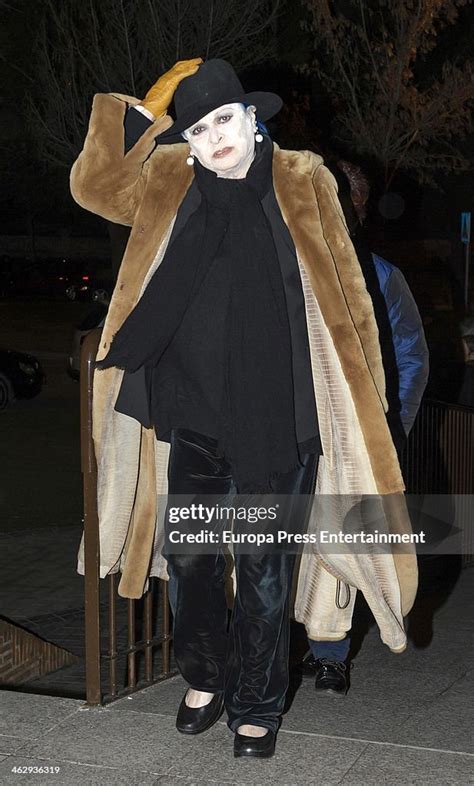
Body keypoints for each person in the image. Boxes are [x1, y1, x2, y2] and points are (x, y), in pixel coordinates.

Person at [71, 59, 418, 759]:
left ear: (252, 121)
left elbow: (349, 298)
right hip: (192, 412)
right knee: (193, 561)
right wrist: (149, 107)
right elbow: (97, 186)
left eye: (224, 119)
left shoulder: (302, 180)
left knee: (264, 571)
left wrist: (366, 403)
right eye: (197, 129)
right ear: (187, 141)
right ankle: (206, 675)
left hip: (277, 419)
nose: (215, 138)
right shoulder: (168, 180)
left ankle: (257, 704)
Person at [301, 161, 429, 696]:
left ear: (354, 212)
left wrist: (385, 430)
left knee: (343, 537)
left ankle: (329, 653)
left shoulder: (380, 276)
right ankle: (286, 640)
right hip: (292, 428)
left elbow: (412, 357)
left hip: (355, 436)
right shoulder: (290, 266)